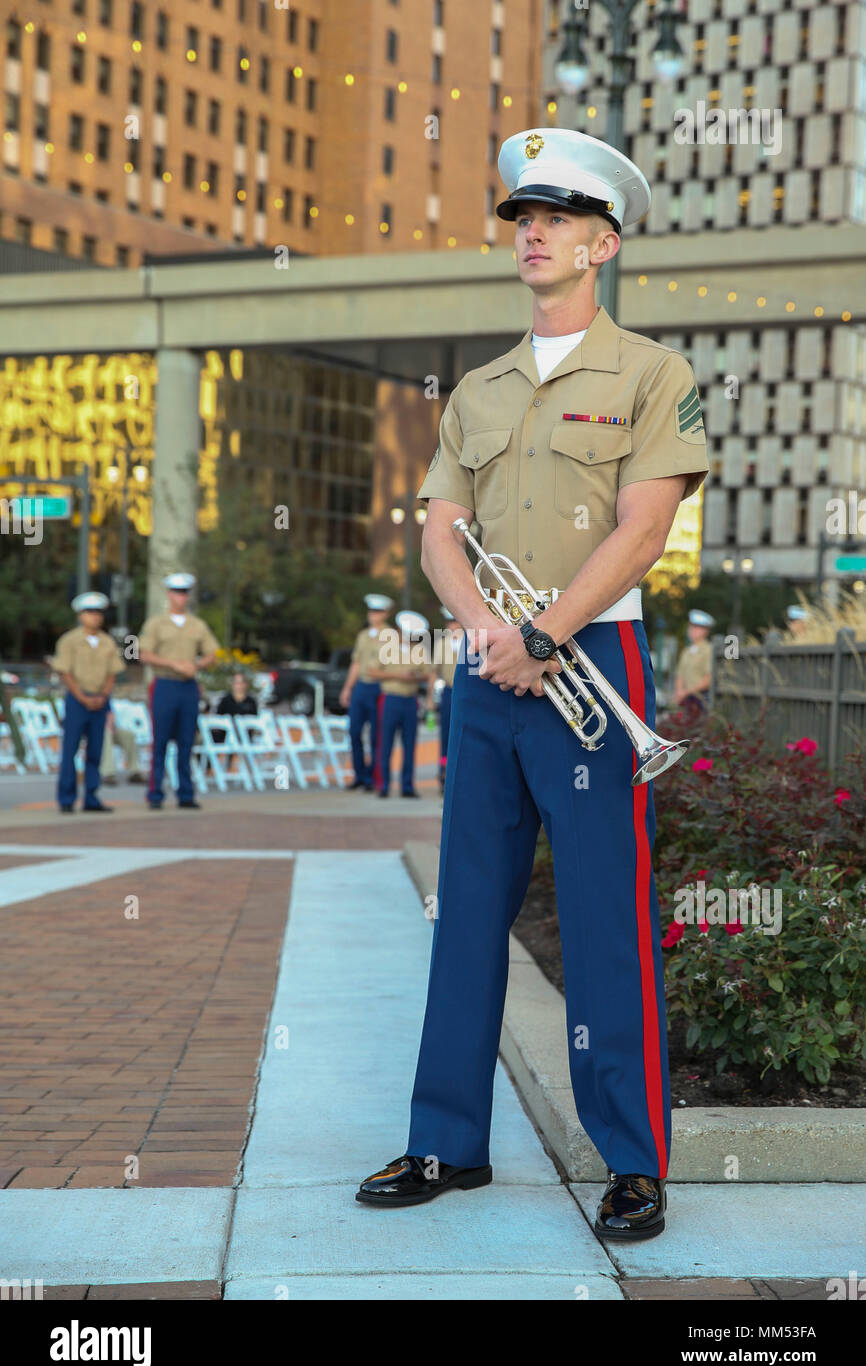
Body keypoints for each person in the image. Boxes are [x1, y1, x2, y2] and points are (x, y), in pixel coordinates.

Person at [356, 128, 709, 1240]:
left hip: (589, 661)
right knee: (465, 913)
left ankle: (632, 1160)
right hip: (485, 666)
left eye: (555, 219)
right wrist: (484, 630)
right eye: (521, 218)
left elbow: (643, 530)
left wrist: (544, 636)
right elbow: (437, 536)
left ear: (601, 243)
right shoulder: (477, 388)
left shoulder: (654, 374)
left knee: (604, 917)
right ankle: (445, 1142)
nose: (532, 233)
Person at [138, 573, 218, 809]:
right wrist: (173, 664)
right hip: (165, 683)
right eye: (177, 592)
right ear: (169, 594)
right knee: (160, 741)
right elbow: (143, 653)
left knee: (186, 742)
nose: (180, 597)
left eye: (184, 593)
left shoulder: (197, 624)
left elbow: (212, 653)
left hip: (188, 687)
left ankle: (185, 793)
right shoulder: (156, 623)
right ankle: (155, 794)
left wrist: (197, 665)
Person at [52, 591, 124, 813]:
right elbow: (65, 673)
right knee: (70, 750)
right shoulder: (69, 640)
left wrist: (103, 695)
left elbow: (113, 672)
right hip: (77, 699)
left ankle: (91, 796)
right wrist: (82, 697)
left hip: (100, 700)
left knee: (95, 751)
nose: (95, 617)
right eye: (90, 612)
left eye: (99, 613)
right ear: (80, 615)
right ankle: (66, 798)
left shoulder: (107, 642)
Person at [374, 610, 436, 799]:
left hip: (410, 700)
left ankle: (407, 786)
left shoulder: (419, 651)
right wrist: (399, 676)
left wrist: (415, 677)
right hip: (391, 698)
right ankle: (383, 785)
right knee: (386, 743)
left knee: (409, 745)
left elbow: (428, 674)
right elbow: (373, 671)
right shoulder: (387, 648)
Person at [339, 593, 394, 791]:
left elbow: (393, 665)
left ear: (386, 613)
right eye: (371, 611)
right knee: (354, 731)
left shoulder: (391, 636)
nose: (373, 615)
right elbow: (356, 663)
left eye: (377, 611)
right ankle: (359, 774)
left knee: (375, 735)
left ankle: (372, 777)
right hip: (362, 686)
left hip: (379, 686)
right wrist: (347, 688)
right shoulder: (363, 635)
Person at [436, 606, 462, 792]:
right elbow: (433, 672)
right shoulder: (441, 643)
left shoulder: (470, 641)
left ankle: (459, 775)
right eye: (449, 622)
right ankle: (443, 773)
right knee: (445, 734)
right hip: (447, 690)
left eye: (454, 621)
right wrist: (430, 697)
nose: (452, 625)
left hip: (463, 693)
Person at [674, 609, 715, 714]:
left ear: (705, 631)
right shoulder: (686, 651)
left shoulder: (709, 650)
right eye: (691, 626)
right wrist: (679, 692)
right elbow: (680, 675)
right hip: (686, 700)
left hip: (701, 700)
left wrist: (685, 692)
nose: (692, 630)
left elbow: (709, 678)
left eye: (696, 627)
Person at [99, 708, 146, 785]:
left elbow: (110, 714)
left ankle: (135, 771)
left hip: (109, 727)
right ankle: (108, 773)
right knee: (107, 734)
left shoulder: (105, 700)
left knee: (129, 736)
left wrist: (111, 724)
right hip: (95, 730)